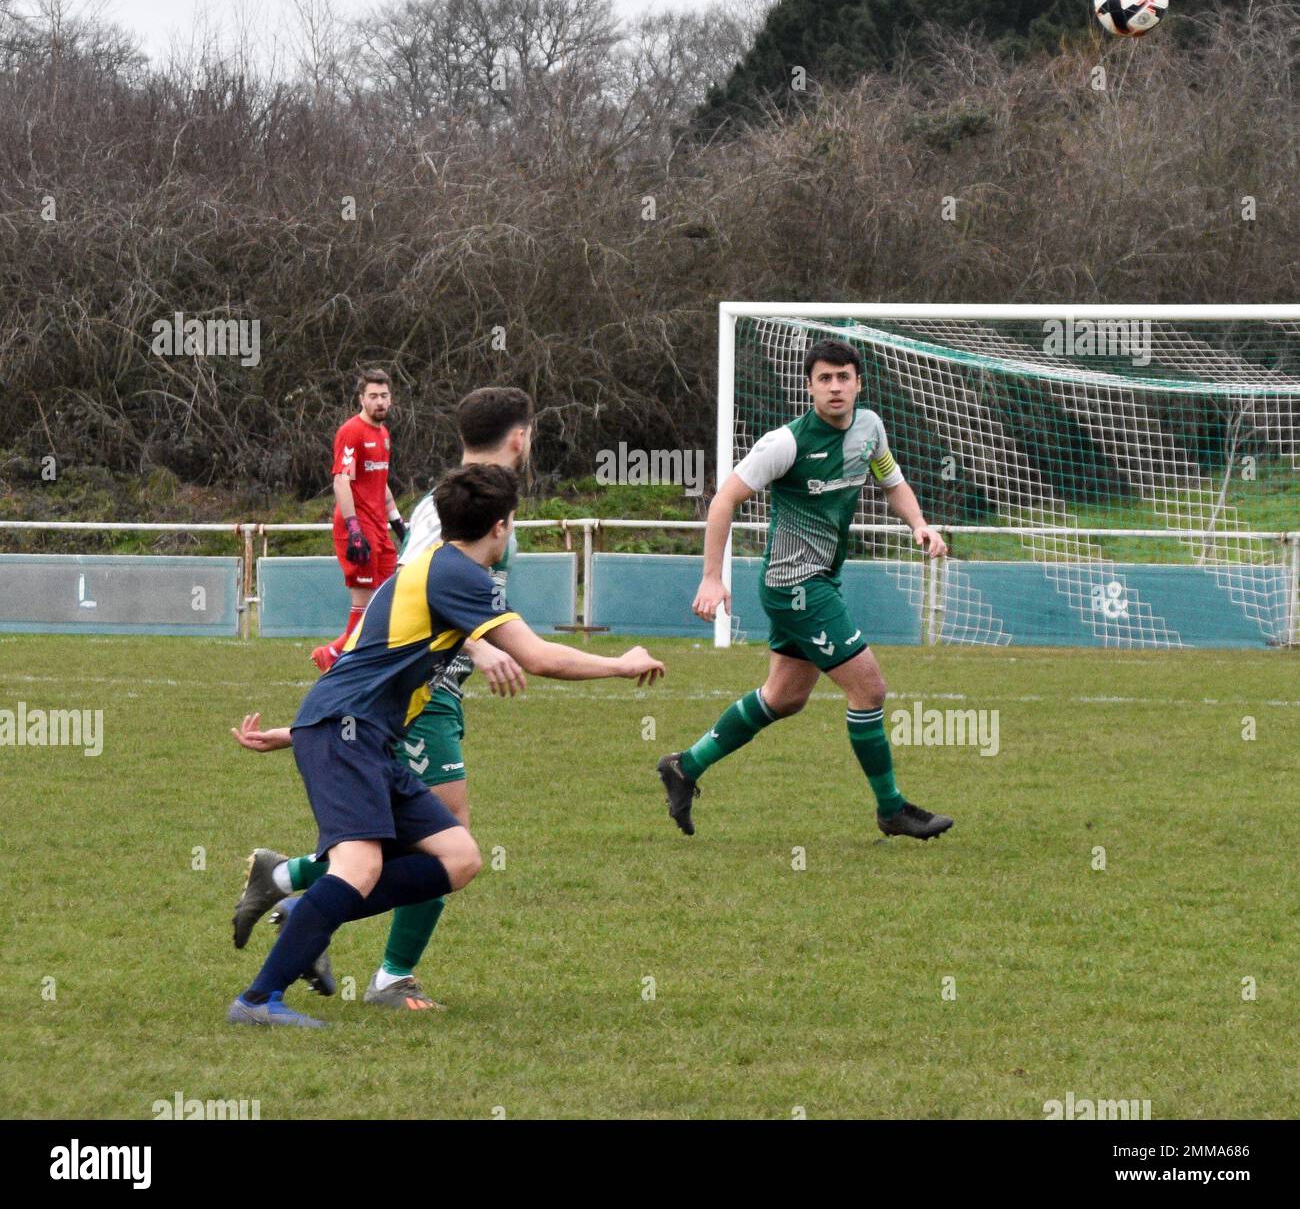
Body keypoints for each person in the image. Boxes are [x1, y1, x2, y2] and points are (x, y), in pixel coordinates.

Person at [228, 463, 664, 1027]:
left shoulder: (430, 568)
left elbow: (367, 662)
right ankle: (259, 1000)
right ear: (503, 527)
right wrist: (620, 664)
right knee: (358, 867)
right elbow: (537, 656)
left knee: (459, 858)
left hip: (358, 734)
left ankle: (307, 907)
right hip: (347, 733)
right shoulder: (458, 574)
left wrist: (299, 732)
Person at [231, 387, 534, 1011]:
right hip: (419, 698)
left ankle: (294, 890)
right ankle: (370, 970)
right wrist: (480, 646)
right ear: (521, 437)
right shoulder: (452, 525)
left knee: (453, 850)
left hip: (392, 706)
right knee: (379, 858)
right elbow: (414, 595)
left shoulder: (466, 501)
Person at [657, 339, 953, 841]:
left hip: (822, 578)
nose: (835, 387)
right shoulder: (785, 444)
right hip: (794, 585)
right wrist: (711, 575)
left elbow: (891, 481)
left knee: (785, 696)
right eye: (824, 378)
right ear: (810, 385)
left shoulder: (870, 429)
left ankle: (685, 766)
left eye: (843, 377)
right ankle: (891, 809)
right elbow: (724, 500)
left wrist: (919, 524)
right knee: (870, 688)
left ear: (859, 382)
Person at [310, 368, 406, 672]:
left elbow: (381, 481)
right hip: (358, 528)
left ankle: (333, 655)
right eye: (373, 396)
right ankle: (348, 665)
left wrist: (398, 523)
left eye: (384, 396)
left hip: (378, 528)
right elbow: (341, 481)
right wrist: (353, 529)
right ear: (361, 399)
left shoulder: (384, 434)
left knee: (386, 600)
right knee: (364, 603)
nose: (380, 401)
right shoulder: (351, 431)